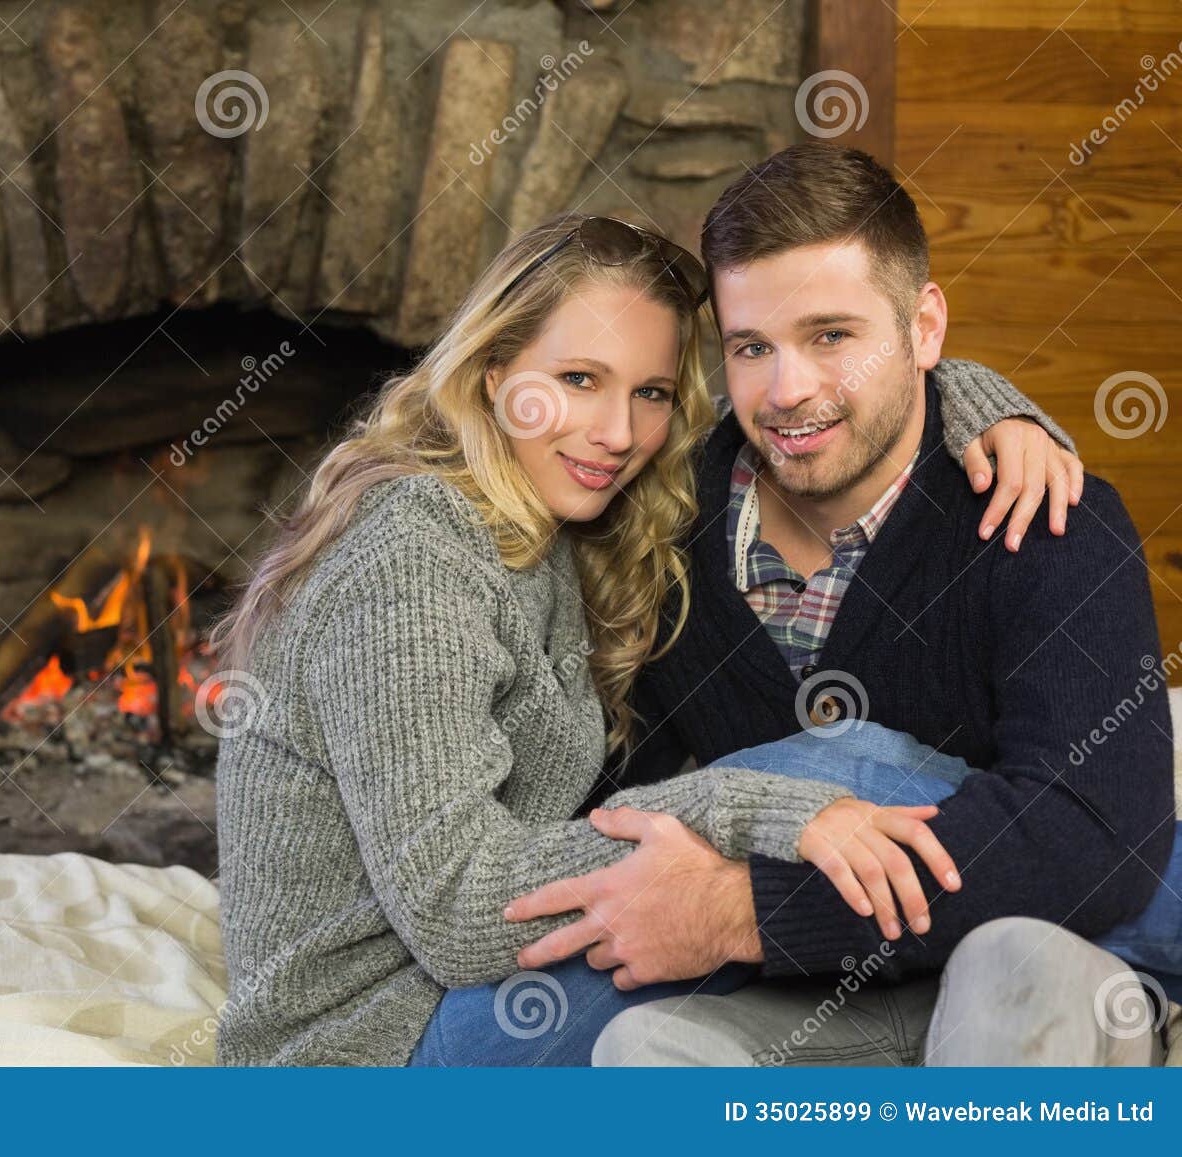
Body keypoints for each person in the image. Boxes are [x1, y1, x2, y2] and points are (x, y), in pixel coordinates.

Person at [209, 202, 1079, 1065]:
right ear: (492, 371)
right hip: (373, 1051)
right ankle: (1100, 890)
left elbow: (814, 411)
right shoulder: (412, 552)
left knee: (815, 826)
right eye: (579, 380)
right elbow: (458, 908)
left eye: (651, 392)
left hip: (468, 1000)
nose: (617, 434)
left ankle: (1027, 951)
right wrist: (752, 811)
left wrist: (972, 402)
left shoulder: (555, 515)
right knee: (830, 767)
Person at [499, 142, 1174, 1067]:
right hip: (797, 1007)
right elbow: (615, 801)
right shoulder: (657, 527)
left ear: (924, 327)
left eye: (832, 336)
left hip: (1006, 957)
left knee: (1014, 965)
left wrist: (746, 908)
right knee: (635, 1047)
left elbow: (1092, 832)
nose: (788, 393)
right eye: (752, 347)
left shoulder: (1047, 518)